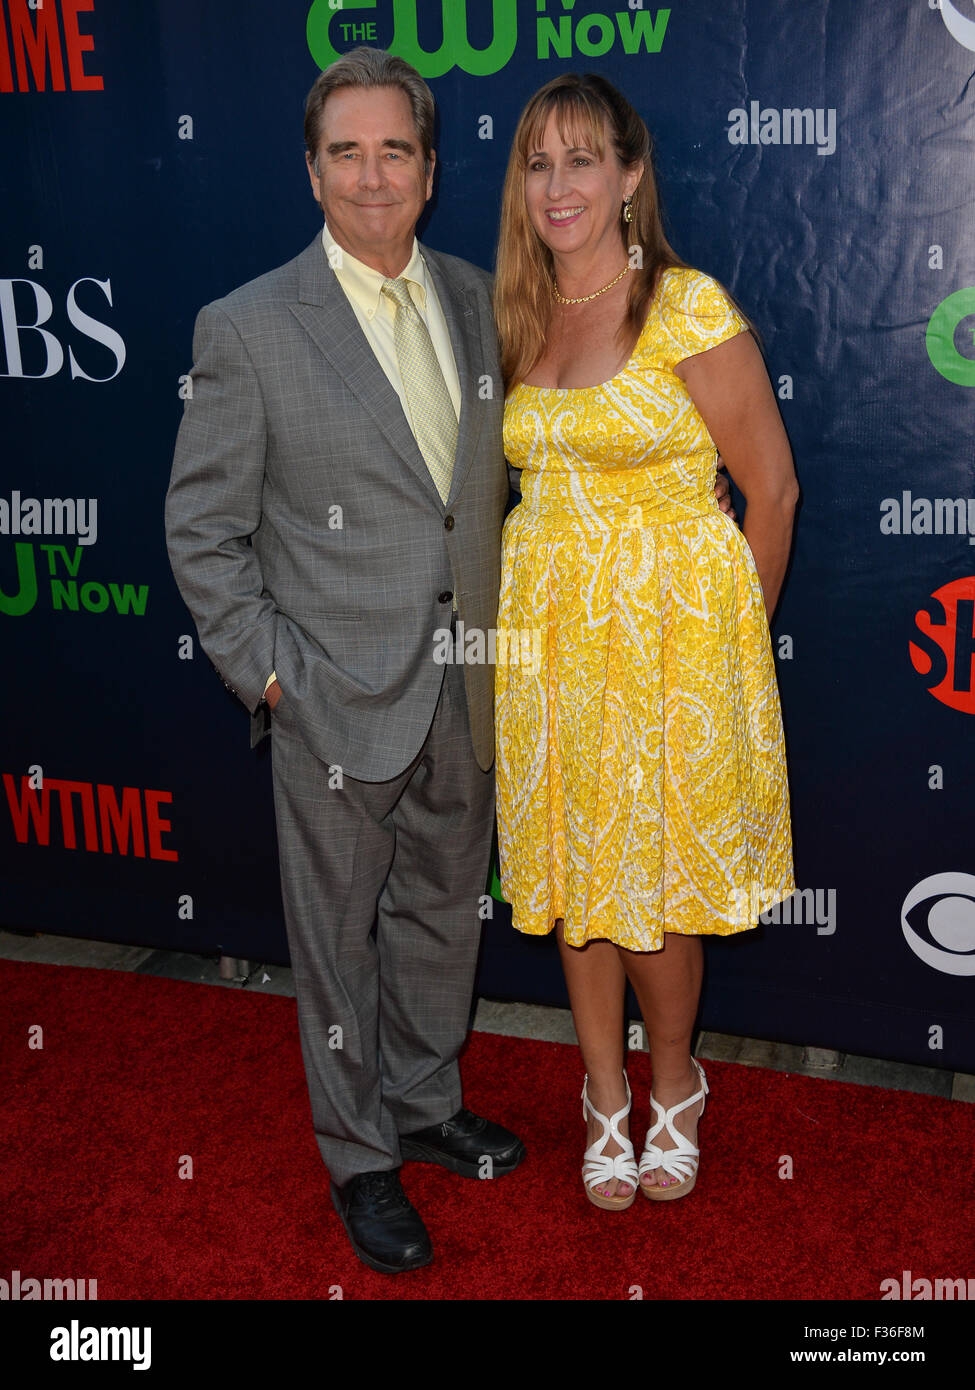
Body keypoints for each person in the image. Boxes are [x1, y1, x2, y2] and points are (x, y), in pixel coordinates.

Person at [165, 47, 525, 1274]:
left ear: (431, 170)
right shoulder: (250, 325)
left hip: (467, 684)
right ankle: (360, 1155)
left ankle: (425, 1103)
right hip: (331, 701)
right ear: (311, 170)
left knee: (439, 919)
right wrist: (271, 676)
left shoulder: (482, 299)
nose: (373, 177)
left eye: (396, 152)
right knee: (336, 943)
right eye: (346, 152)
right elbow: (202, 532)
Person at [493, 74, 797, 1210]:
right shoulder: (519, 313)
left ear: (629, 177)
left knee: (654, 893)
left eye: (582, 161)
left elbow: (771, 491)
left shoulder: (687, 306)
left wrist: (724, 659)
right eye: (537, 163)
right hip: (547, 653)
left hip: (668, 664)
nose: (558, 185)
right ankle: (600, 1096)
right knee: (576, 880)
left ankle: (675, 1087)